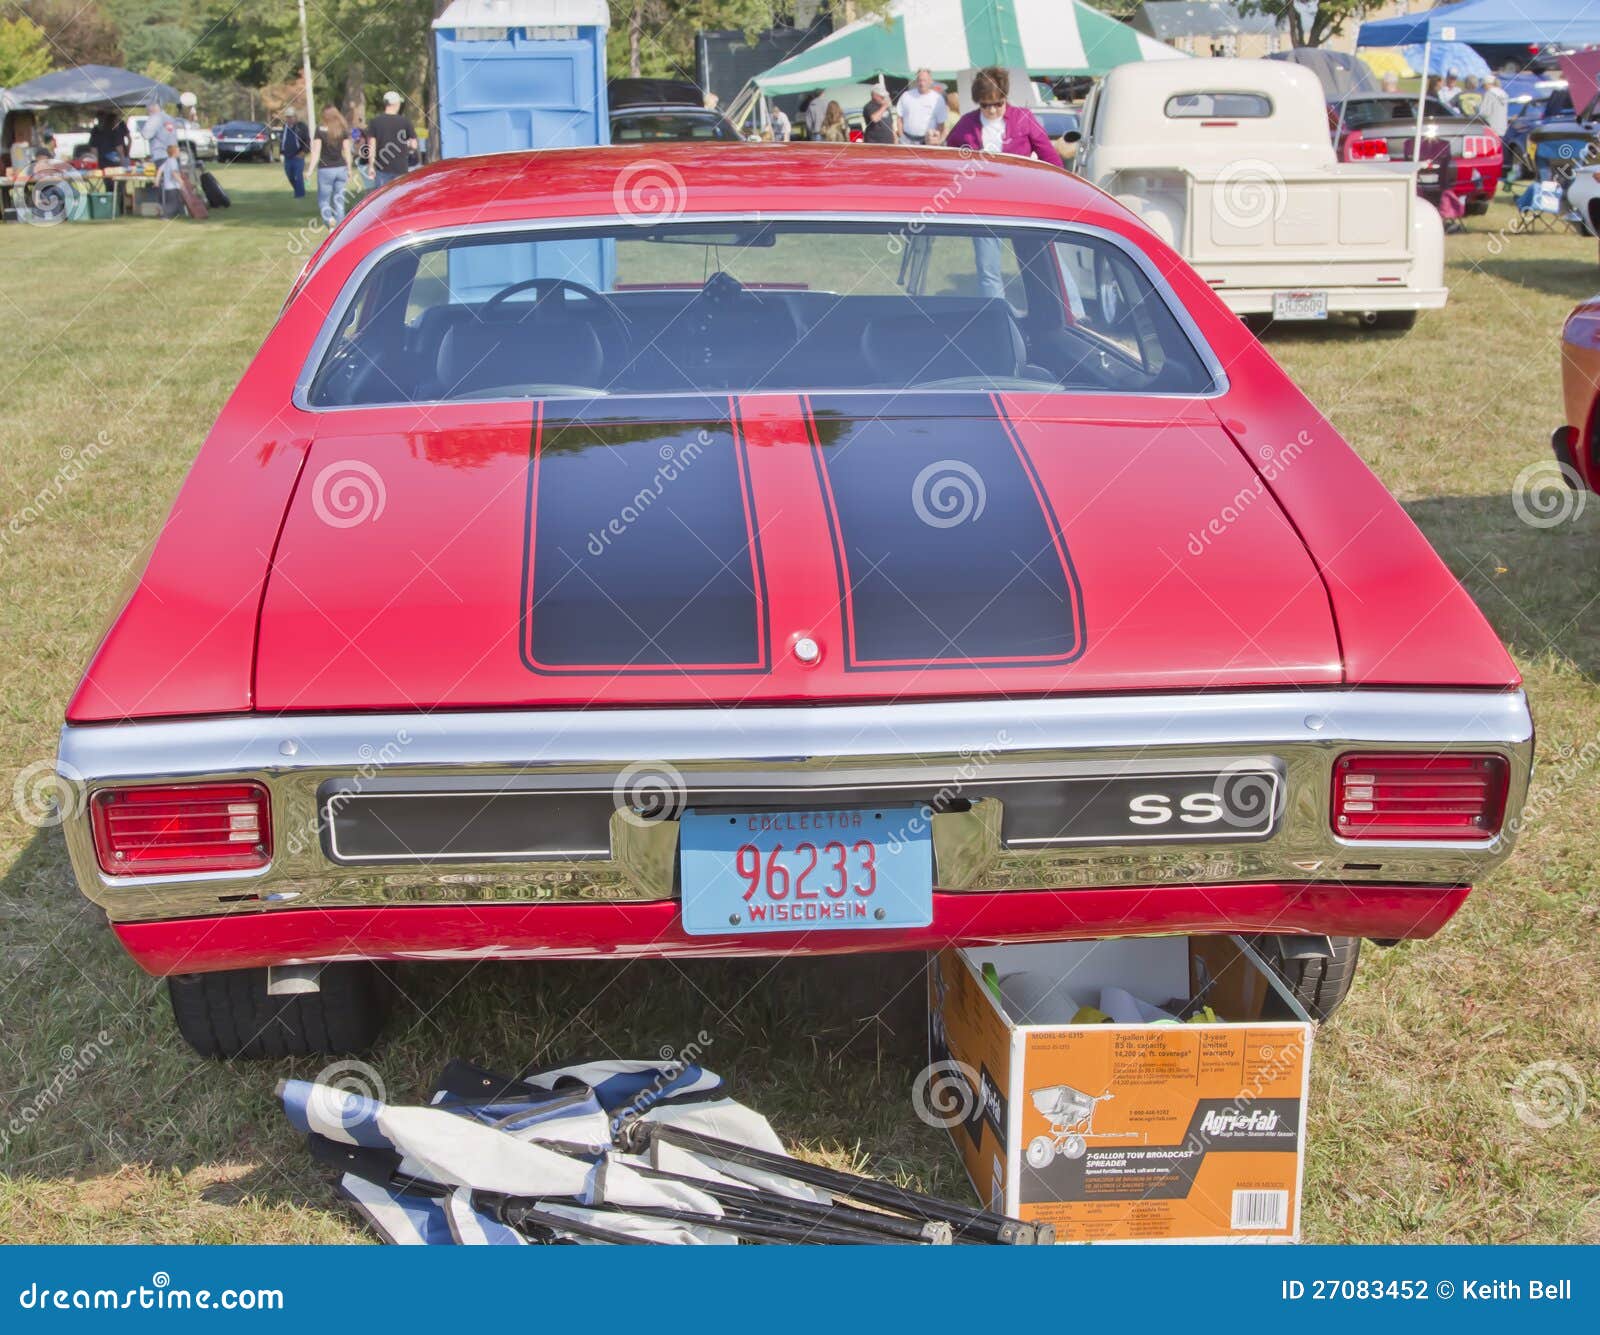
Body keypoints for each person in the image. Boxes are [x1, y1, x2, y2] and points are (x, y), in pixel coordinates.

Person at [944, 68, 1062, 299]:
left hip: (1024, 202)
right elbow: (950, 160)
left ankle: (1072, 312)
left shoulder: (1023, 118)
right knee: (988, 269)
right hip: (984, 206)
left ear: (1005, 98)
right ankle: (995, 319)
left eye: (998, 103)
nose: (992, 110)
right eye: (986, 105)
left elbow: (1050, 157)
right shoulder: (966, 125)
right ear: (978, 102)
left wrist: (1060, 190)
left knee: (1043, 260)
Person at [309, 105, 354, 226]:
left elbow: (316, 152)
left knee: (323, 200)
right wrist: (349, 169)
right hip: (341, 168)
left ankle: (329, 219)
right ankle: (340, 228)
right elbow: (347, 151)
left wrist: (309, 171)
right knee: (339, 200)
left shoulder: (320, 130)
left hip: (325, 169)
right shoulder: (342, 130)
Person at [367, 90, 418, 186]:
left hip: (381, 168)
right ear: (396, 104)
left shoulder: (375, 122)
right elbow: (414, 145)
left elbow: (371, 146)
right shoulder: (405, 122)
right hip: (401, 168)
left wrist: (371, 166)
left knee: (383, 198)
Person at [896, 68, 947, 145]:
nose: (922, 83)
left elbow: (941, 124)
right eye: (920, 80)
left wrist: (934, 140)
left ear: (930, 81)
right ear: (916, 81)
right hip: (906, 140)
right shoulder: (906, 96)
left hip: (928, 141)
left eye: (925, 80)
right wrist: (901, 136)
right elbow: (899, 118)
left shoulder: (938, 99)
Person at [281, 113, 310, 198]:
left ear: (295, 117)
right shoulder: (285, 127)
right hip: (287, 157)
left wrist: (304, 152)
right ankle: (299, 191)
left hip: (298, 156)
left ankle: (300, 195)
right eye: (287, 117)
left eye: (291, 117)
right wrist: (281, 152)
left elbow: (307, 141)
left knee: (298, 175)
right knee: (290, 176)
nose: (289, 119)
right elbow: (283, 141)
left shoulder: (301, 127)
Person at [156, 142, 184, 218]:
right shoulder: (173, 161)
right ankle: (165, 215)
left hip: (167, 187)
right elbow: (174, 173)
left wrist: (157, 182)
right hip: (173, 186)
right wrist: (181, 181)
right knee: (173, 204)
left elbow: (159, 171)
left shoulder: (167, 161)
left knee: (173, 202)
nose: (179, 153)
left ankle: (175, 214)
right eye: (178, 151)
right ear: (174, 153)